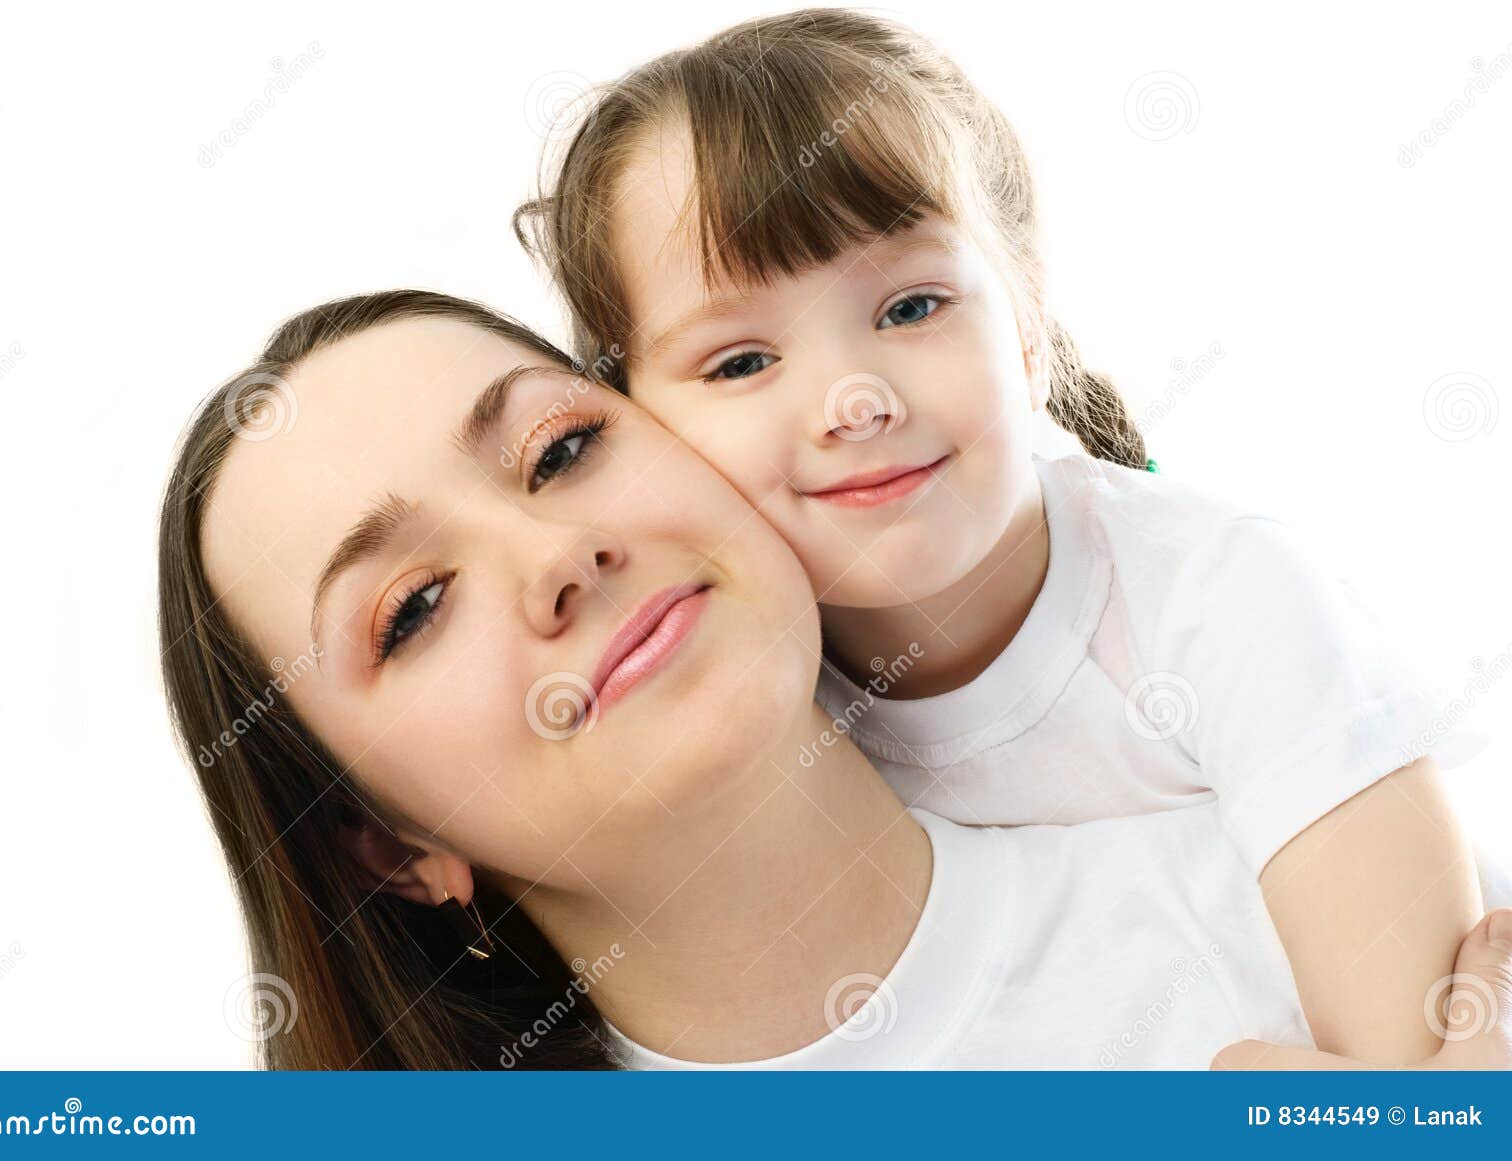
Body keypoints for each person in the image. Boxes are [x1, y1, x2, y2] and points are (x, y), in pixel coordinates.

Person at [158, 289, 1510, 1069]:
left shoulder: (1354, 930)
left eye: (562, 451)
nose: (558, 554)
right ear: (390, 851)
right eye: (417, 606)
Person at [514, 8, 1502, 1064]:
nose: (851, 399)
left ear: (1026, 328)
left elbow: (1418, 1080)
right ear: (641, 430)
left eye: (910, 307)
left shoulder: (1221, 596)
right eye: (741, 364)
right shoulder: (742, 705)